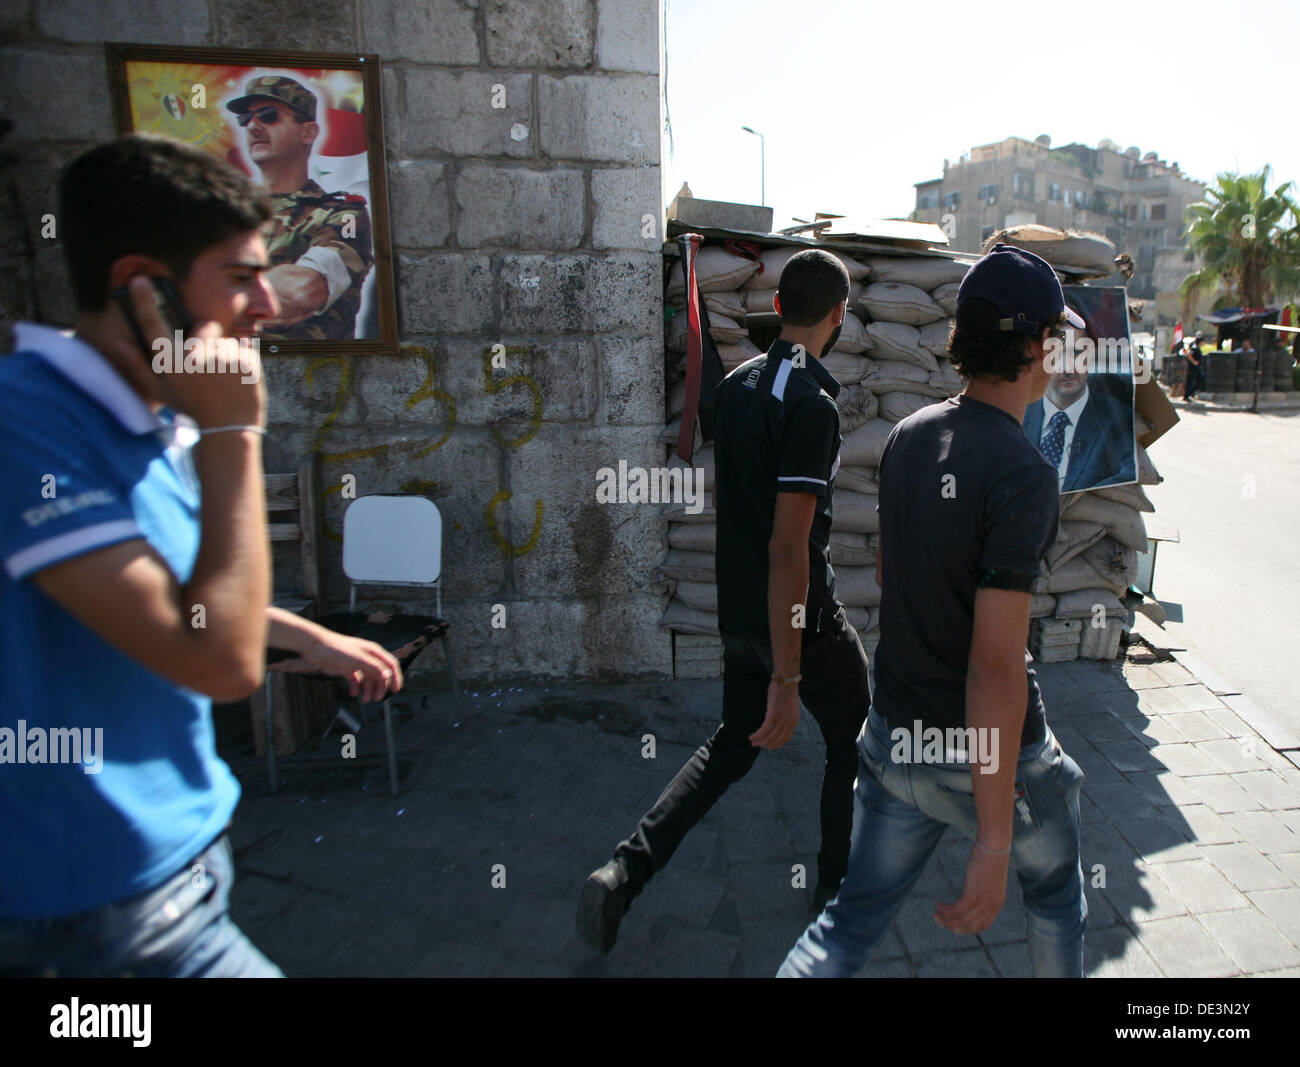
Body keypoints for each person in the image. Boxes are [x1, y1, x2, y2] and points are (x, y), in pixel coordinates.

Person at [0, 134, 402, 978]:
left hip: (180, 872)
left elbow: (182, 601)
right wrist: (233, 432)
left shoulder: (151, 420)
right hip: (91, 919)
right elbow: (215, 659)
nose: (265, 303)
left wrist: (309, 640)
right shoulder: (28, 425)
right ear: (145, 288)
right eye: (241, 276)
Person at [778, 243, 1088, 978]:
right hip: (988, 756)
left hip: (894, 743)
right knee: (1054, 898)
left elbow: (892, 571)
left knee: (845, 925)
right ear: (1038, 346)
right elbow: (994, 664)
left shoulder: (909, 436)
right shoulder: (1023, 473)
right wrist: (991, 836)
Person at [577, 250, 872, 953]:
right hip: (801, 619)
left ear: (775, 308)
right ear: (838, 316)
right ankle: (834, 885)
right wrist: (789, 674)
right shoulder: (813, 405)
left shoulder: (739, 386)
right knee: (853, 737)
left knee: (727, 752)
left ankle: (624, 869)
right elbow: (789, 548)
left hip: (737, 613)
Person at [227, 75, 373, 341]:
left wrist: (206, 297)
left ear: (308, 132)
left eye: (268, 115)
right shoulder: (223, 216)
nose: (253, 126)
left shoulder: (342, 214)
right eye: (245, 119)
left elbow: (302, 290)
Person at [1022, 360, 1136, 492]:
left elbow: (1134, 469)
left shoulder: (1118, 417)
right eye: (1057, 356)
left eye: (1077, 353)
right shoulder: (1017, 413)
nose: (1068, 369)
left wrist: (1071, 501)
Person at [1184, 334, 1205, 401]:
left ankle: (1191, 393)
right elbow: (1189, 354)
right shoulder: (1194, 348)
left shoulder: (1197, 348)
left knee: (1200, 380)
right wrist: (1194, 362)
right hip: (1192, 368)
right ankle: (1187, 396)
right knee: (1190, 382)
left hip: (1196, 368)